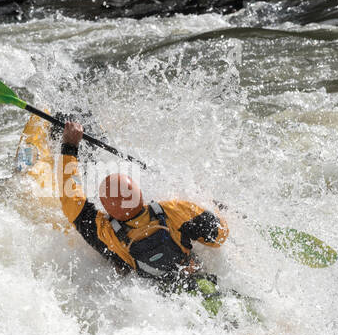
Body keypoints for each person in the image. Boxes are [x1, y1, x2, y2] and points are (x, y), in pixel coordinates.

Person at [57, 120, 229, 304]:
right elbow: (220, 236)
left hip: (148, 297)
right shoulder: (174, 210)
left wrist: (69, 147)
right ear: (139, 194)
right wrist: (214, 207)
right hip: (191, 280)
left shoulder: (104, 232)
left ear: (106, 210)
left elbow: (71, 199)